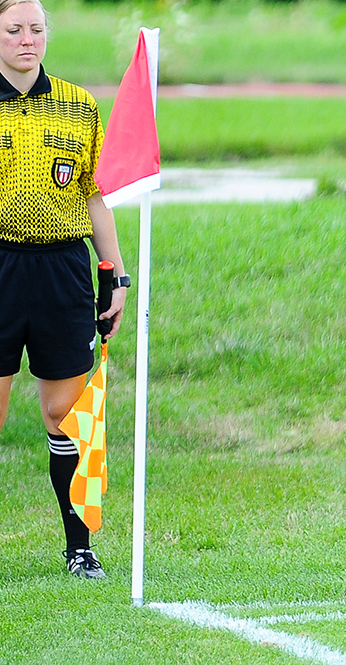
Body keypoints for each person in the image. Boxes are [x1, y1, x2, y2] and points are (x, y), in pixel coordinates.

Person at [0, 0, 129, 579]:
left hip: (63, 272)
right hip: (1, 267)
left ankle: (80, 549)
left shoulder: (79, 106)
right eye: (13, 30)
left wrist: (114, 272)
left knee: (65, 416)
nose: (26, 39)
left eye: (36, 28)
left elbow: (95, 195)